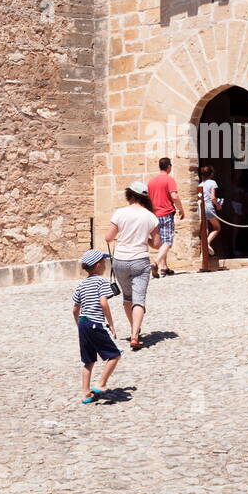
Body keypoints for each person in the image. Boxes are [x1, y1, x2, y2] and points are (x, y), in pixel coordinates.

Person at [105, 181, 161, 350]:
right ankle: (135, 335)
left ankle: (133, 328)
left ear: (129, 195)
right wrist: (145, 238)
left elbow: (108, 237)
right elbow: (157, 244)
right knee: (139, 299)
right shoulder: (150, 217)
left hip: (120, 260)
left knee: (127, 298)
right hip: (140, 260)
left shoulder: (120, 213)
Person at [71, 249, 121, 404]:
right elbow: (103, 302)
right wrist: (111, 324)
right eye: (104, 262)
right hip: (95, 322)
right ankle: (101, 383)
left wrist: (79, 325)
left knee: (88, 360)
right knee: (115, 354)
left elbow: (75, 309)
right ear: (99, 265)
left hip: (83, 323)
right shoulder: (101, 282)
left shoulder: (81, 285)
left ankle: (86, 394)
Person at [147, 156, 184, 277]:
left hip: (154, 215)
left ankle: (164, 267)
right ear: (169, 167)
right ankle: (156, 263)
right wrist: (181, 209)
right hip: (166, 213)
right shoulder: (169, 179)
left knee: (162, 241)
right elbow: (174, 196)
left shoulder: (151, 181)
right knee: (167, 241)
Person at [198, 163, 223, 255]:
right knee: (217, 227)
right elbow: (213, 197)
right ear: (211, 174)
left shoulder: (200, 184)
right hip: (209, 207)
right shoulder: (212, 183)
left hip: (201, 208)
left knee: (205, 229)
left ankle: (203, 253)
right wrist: (218, 205)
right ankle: (207, 243)